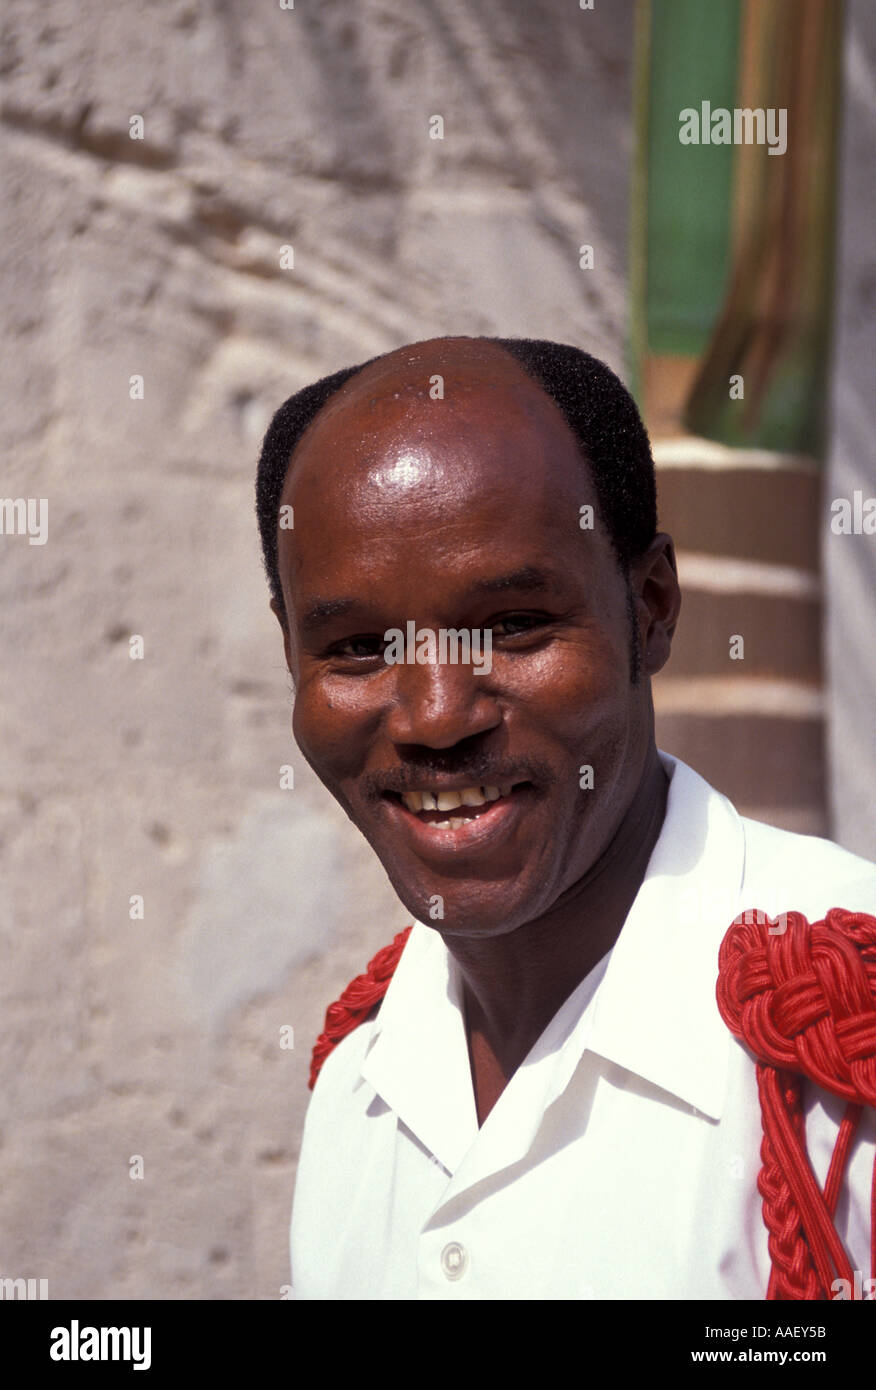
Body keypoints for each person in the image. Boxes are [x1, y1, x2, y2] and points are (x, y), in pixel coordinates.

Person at [255, 335, 876, 1300]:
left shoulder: (840, 1052)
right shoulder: (360, 1075)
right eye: (360, 646)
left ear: (653, 607)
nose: (435, 717)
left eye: (512, 628)